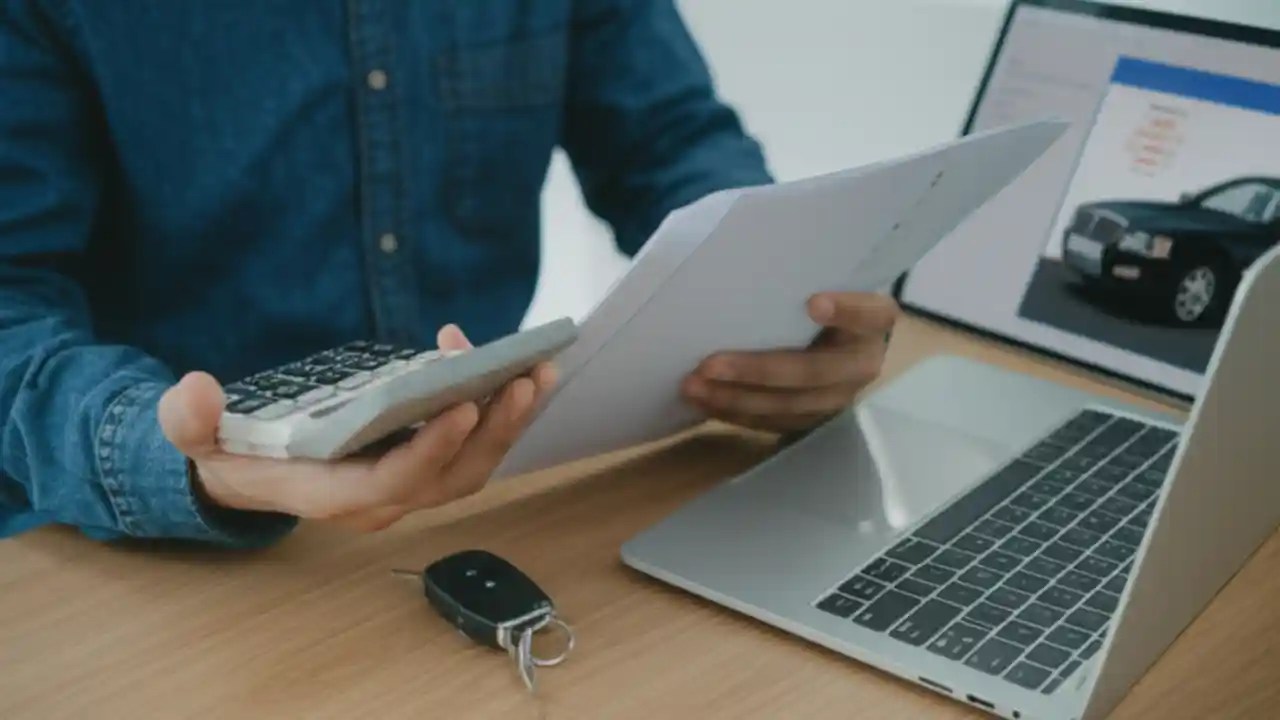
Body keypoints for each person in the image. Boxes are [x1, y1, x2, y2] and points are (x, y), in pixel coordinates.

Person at [0, 1, 899, 548]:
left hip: (481, 506)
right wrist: (189, 466)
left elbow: (671, 143)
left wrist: (792, 292)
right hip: (141, 554)